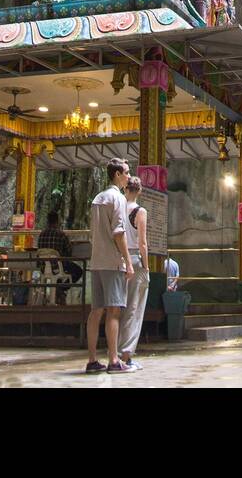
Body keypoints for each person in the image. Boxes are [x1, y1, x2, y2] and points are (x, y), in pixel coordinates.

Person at [85, 158, 134, 374]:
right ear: (117, 174)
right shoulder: (118, 198)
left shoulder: (98, 198)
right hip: (113, 263)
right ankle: (114, 360)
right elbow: (119, 233)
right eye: (126, 172)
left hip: (96, 261)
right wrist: (128, 262)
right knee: (114, 311)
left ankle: (92, 360)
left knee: (96, 311)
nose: (129, 176)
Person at [119, 176, 150, 370]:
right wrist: (146, 267)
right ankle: (126, 354)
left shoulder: (117, 208)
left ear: (125, 189)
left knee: (118, 308)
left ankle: (115, 353)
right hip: (135, 261)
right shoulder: (139, 211)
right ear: (139, 191)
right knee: (134, 309)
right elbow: (143, 243)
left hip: (118, 260)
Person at [37, 211, 82, 300]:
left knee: (60, 269)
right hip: (58, 266)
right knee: (78, 271)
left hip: (43, 267)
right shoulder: (61, 234)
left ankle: (58, 292)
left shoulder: (41, 235)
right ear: (57, 221)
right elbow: (69, 252)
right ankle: (61, 288)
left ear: (47, 221)